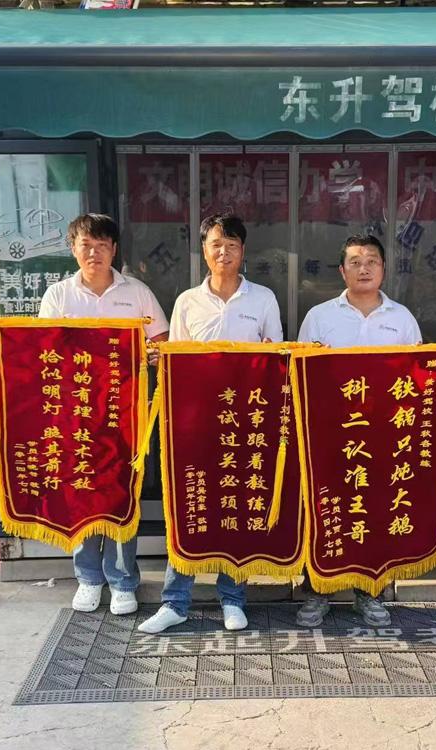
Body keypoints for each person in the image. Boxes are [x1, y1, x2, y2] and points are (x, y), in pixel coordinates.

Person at [138, 212, 283, 635]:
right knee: (190, 505)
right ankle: (175, 601)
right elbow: (176, 363)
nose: (224, 252)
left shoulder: (263, 299)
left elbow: (276, 356)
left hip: (244, 423)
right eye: (217, 244)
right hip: (196, 421)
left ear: (243, 251)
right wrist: (161, 359)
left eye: (232, 245)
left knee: (235, 505)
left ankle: (232, 599)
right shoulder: (187, 301)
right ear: (204, 250)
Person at [38, 213, 169, 616]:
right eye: (86, 245)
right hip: (75, 415)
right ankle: (88, 578)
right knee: (81, 492)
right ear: (73, 249)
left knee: (121, 494)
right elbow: (43, 351)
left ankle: (123, 580)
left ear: (114, 249)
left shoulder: (138, 293)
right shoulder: (58, 296)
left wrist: (151, 354)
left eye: (102, 245)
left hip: (126, 414)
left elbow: (162, 342)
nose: (94, 253)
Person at [296, 234, 422, 628]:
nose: (363, 268)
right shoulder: (320, 316)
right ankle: (317, 589)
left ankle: (370, 592)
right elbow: (301, 373)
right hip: (330, 434)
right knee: (326, 509)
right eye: (355, 262)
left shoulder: (402, 318)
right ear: (342, 270)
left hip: (383, 436)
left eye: (371, 261)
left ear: (383, 269)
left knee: (375, 510)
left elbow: (418, 377)